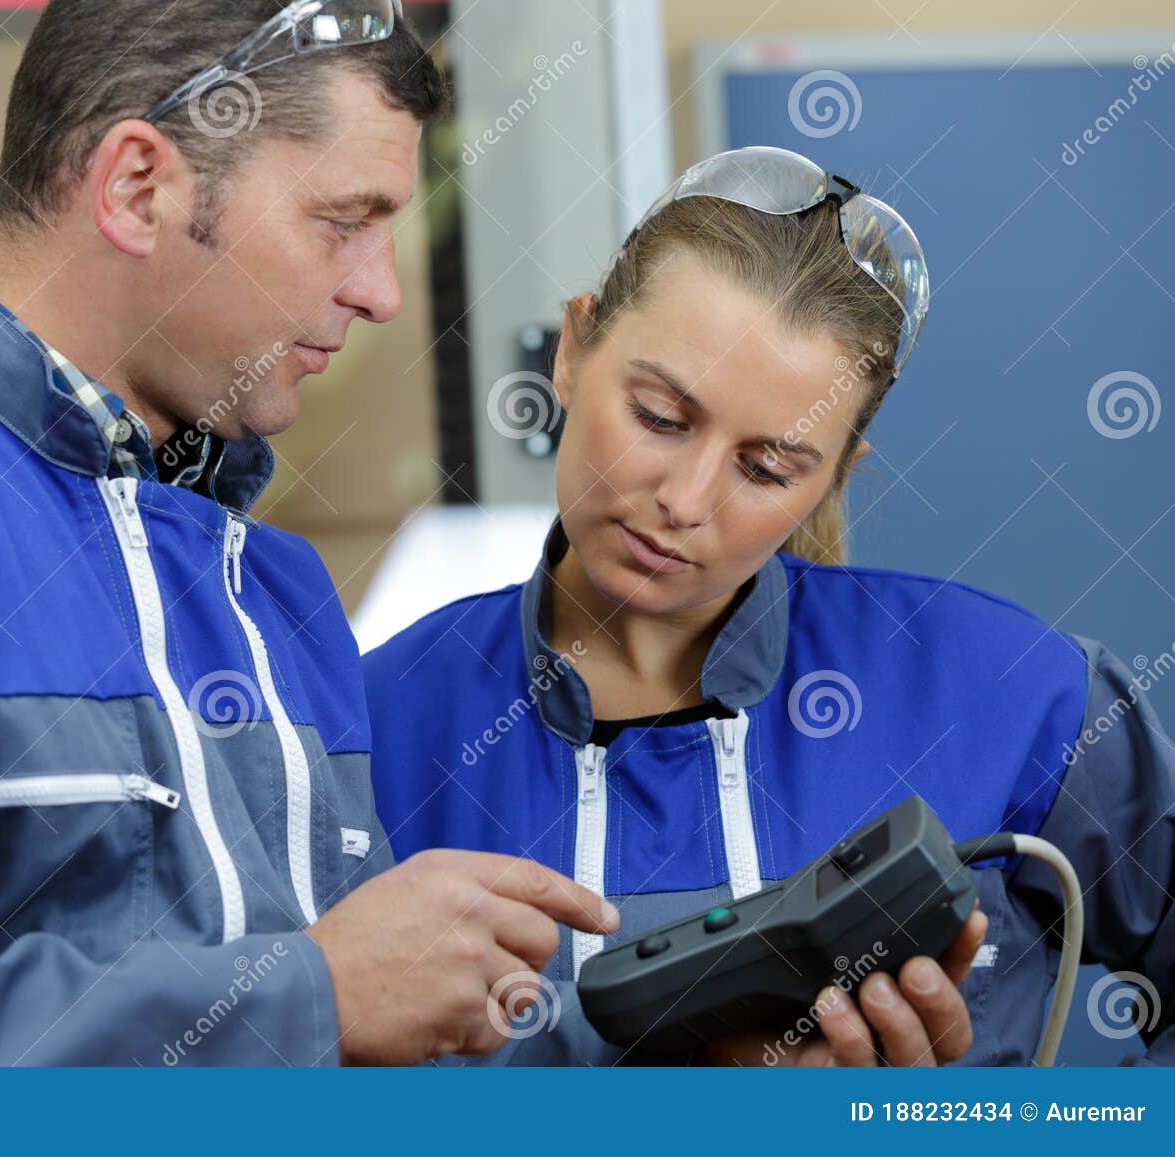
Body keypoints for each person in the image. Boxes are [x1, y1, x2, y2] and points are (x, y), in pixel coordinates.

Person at [0, 1, 964, 1066]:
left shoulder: (270, 591)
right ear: (135, 188)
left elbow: (314, 1067)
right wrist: (312, 991)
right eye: (344, 224)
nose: (377, 291)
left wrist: (694, 1071)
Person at [364, 146, 1175, 1066]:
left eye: (766, 468)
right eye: (661, 418)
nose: (687, 500)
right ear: (573, 347)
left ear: (833, 478)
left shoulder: (1015, 693)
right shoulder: (368, 731)